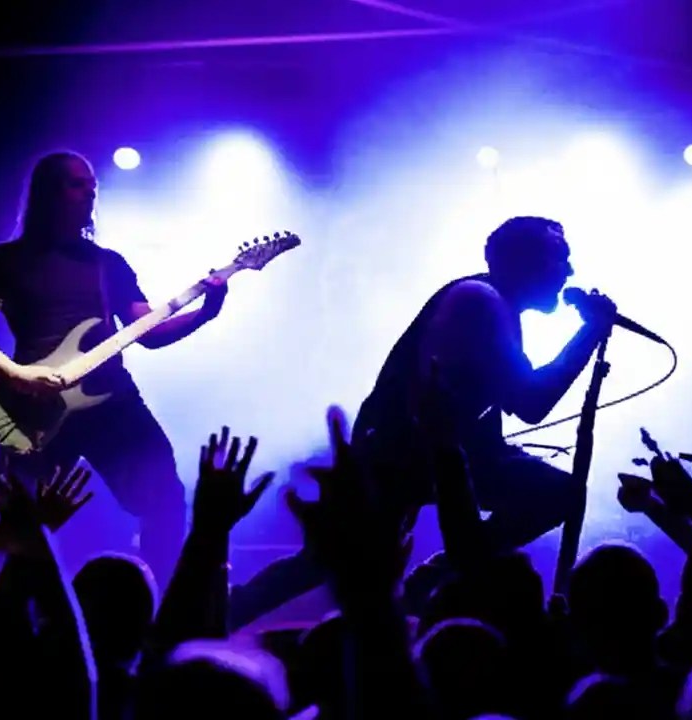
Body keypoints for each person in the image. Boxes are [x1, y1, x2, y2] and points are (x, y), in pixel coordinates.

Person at [228, 216, 615, 627]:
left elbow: (501, 400)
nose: (569, 272)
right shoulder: (479, 302)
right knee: (329, 560)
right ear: (526, 262)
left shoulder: (496, 304)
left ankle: (435, 577)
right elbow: (531, 402)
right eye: (561, 260)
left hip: (440, 454)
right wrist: (590, 331)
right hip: (398, 455)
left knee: (558, 492)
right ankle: (223, 614)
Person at [0, 150, 229, 585]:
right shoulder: (3, 261)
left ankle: (165, 612)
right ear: (48, 193)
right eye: (77, 183)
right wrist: (19, 375)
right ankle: (14, 627)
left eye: (92, 184)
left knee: (164, 498)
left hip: (112, 402)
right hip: (35, 410)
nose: (90, 191)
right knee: (22, 524)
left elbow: (148, 330)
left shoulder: (108, 264)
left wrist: (205, 312)